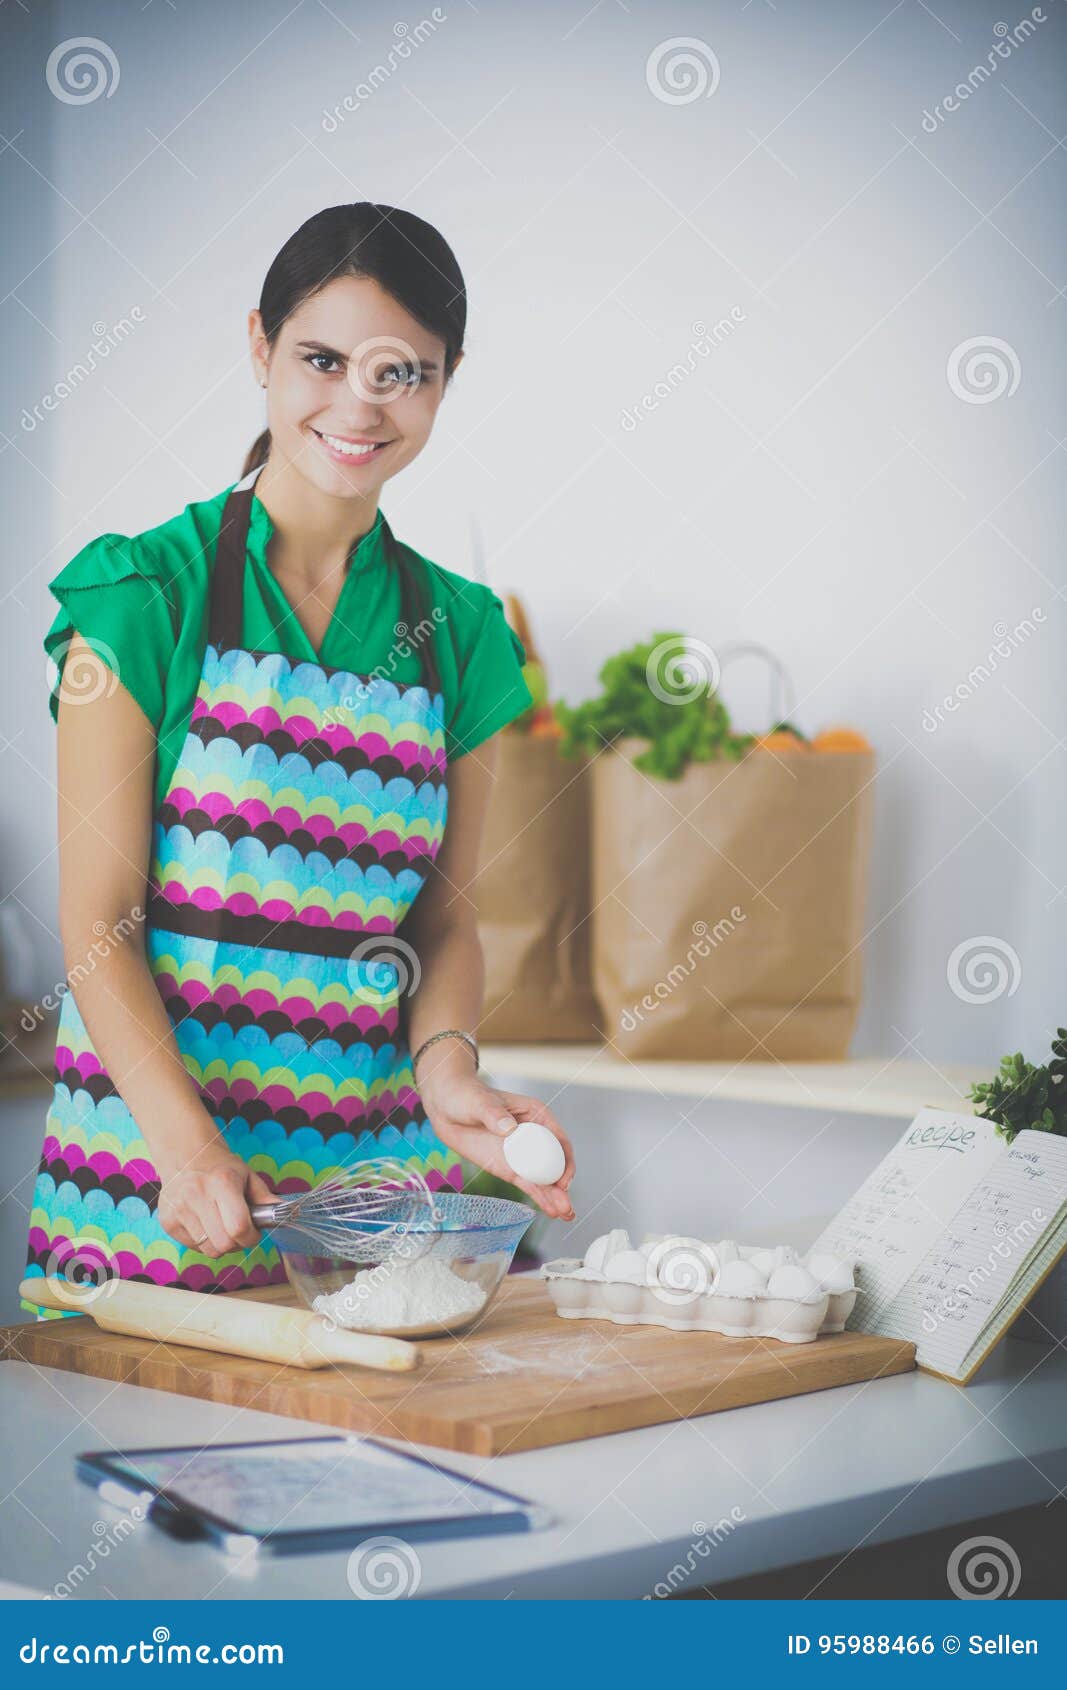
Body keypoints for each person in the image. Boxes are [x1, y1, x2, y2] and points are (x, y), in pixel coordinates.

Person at [25, 202, 575, 1314]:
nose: (358, 404)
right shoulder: (142, 598)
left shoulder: (461, 629)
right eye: (321, 359)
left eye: (400, 372)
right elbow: (96, 924)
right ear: (259, 347)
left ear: (445, 380)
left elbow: (446, 917)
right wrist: (185, 1147)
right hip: (156, 1173)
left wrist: (450, 1072)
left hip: (377, 1195)